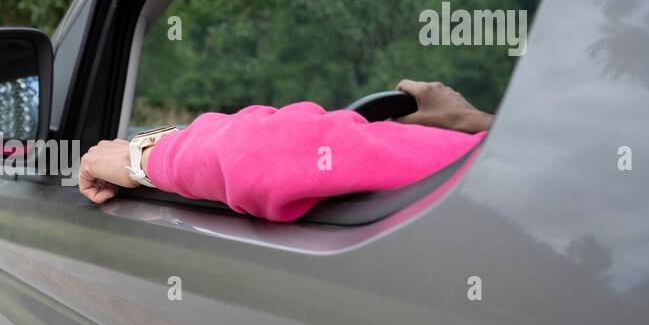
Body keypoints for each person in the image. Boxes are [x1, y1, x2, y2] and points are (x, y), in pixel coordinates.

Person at [77, 79, 494, 222]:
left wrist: (143, 156)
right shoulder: (524, 167)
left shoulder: (489, 168)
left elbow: (264, 155)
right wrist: (480, 125)